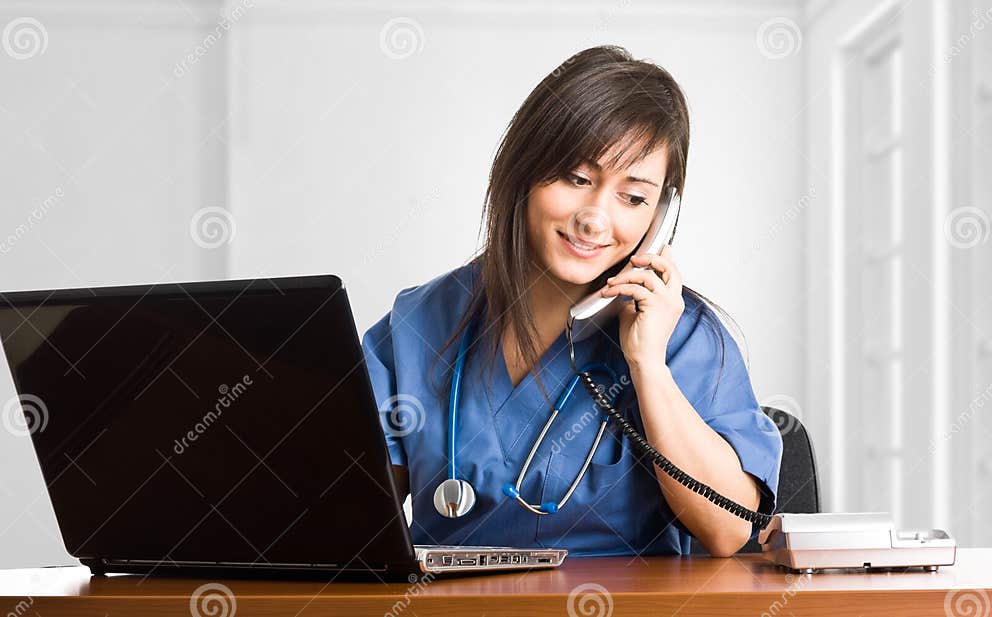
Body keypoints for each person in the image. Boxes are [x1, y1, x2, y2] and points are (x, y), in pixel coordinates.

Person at [361, 45, 782, 558]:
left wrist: (647, 366)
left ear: (660, 218)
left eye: (633, 198)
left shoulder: (684, 336)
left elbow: (728, 530)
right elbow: (344, 516)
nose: (595, 218)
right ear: (522, 172)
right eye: (577, 179)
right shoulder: (419, 323)